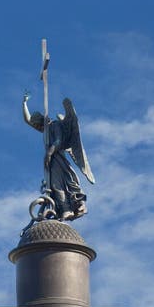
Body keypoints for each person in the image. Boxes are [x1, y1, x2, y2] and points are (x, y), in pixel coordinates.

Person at [23, 93, 95, 221]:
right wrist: (24, 103)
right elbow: (28, 120)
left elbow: (58, 141)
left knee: (66, 182)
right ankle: (65, 209)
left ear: (42, 119)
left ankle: (75, 205)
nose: (37, 126)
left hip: (57, 157)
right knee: (55, 186)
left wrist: (49, 153)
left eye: (38, 123)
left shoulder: (55, 125)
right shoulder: (45, 129)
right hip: (51, 160)